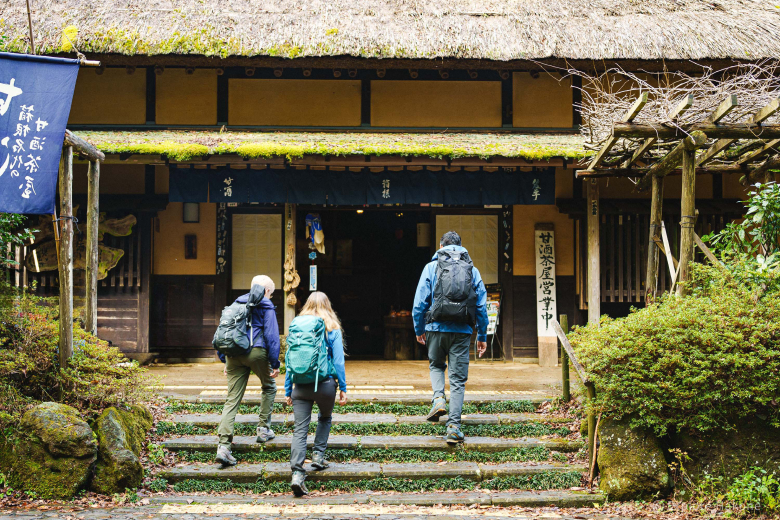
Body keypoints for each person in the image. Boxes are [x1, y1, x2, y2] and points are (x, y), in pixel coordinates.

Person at [412, 231, 488, 444]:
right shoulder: (473, 270)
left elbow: (419, 303)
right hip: (462, 332)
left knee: (436, 365)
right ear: (461, 247)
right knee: (457, 380)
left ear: (440, 246)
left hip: (435, 328)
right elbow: (481, 305)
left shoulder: (431, 267)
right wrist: (482, 334)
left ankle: (438, 398)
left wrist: (419, 329)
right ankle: (454, 427)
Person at [285, 291, 347, 497]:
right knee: (325, 417)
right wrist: (344, 388)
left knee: (300, 429)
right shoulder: (332, 328)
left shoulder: (297, 327)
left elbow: (290, 360)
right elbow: (338, 362)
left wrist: (288, 389)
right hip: (325, 385)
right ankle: (318, 456)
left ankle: (296, 474)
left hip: (300, 386)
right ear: (328, 306)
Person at [215, 275, 280, 467]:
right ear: (267, 291)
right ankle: (263, 429)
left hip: (233, 353)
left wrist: (224, 359)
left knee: (232, 399)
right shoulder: (266, 305)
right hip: (256, 352)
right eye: (272, 293)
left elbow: (223, 330)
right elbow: (271, 335)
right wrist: (274, 363)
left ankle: (224, 447)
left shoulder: (235, 303)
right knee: (268, 386)